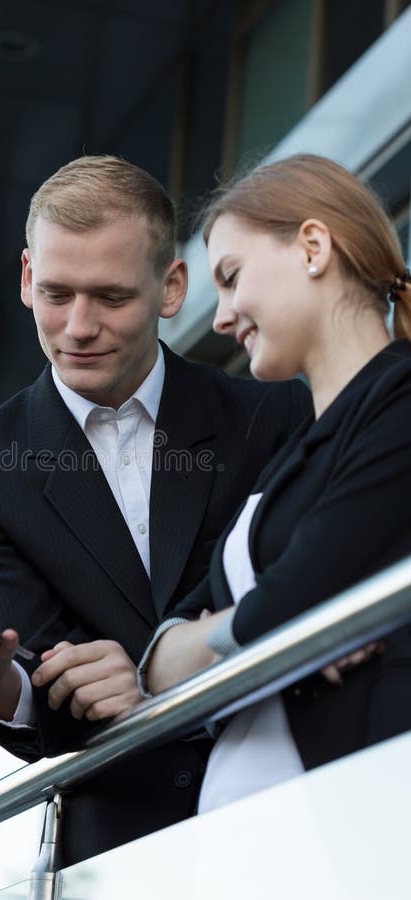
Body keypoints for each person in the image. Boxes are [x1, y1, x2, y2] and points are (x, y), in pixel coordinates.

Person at [0, 155, 310, 864]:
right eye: (57, 293)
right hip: (118, 849)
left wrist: (149, 674)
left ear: (172, 287)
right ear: (27, 279)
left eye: (110, 297)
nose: (78, 326)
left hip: (292, 811)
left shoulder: (274, 414)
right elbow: (38, 671)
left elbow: (300, 595)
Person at [139, 153, 411, 814]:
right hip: (247, 828)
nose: (223, 316)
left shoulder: (401, 399)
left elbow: (307, 590)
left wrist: (229, 635)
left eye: (232, 278)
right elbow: (155, 660)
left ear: (314, 247)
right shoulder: (290, 459)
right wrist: (265, 632)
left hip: (352, 815)